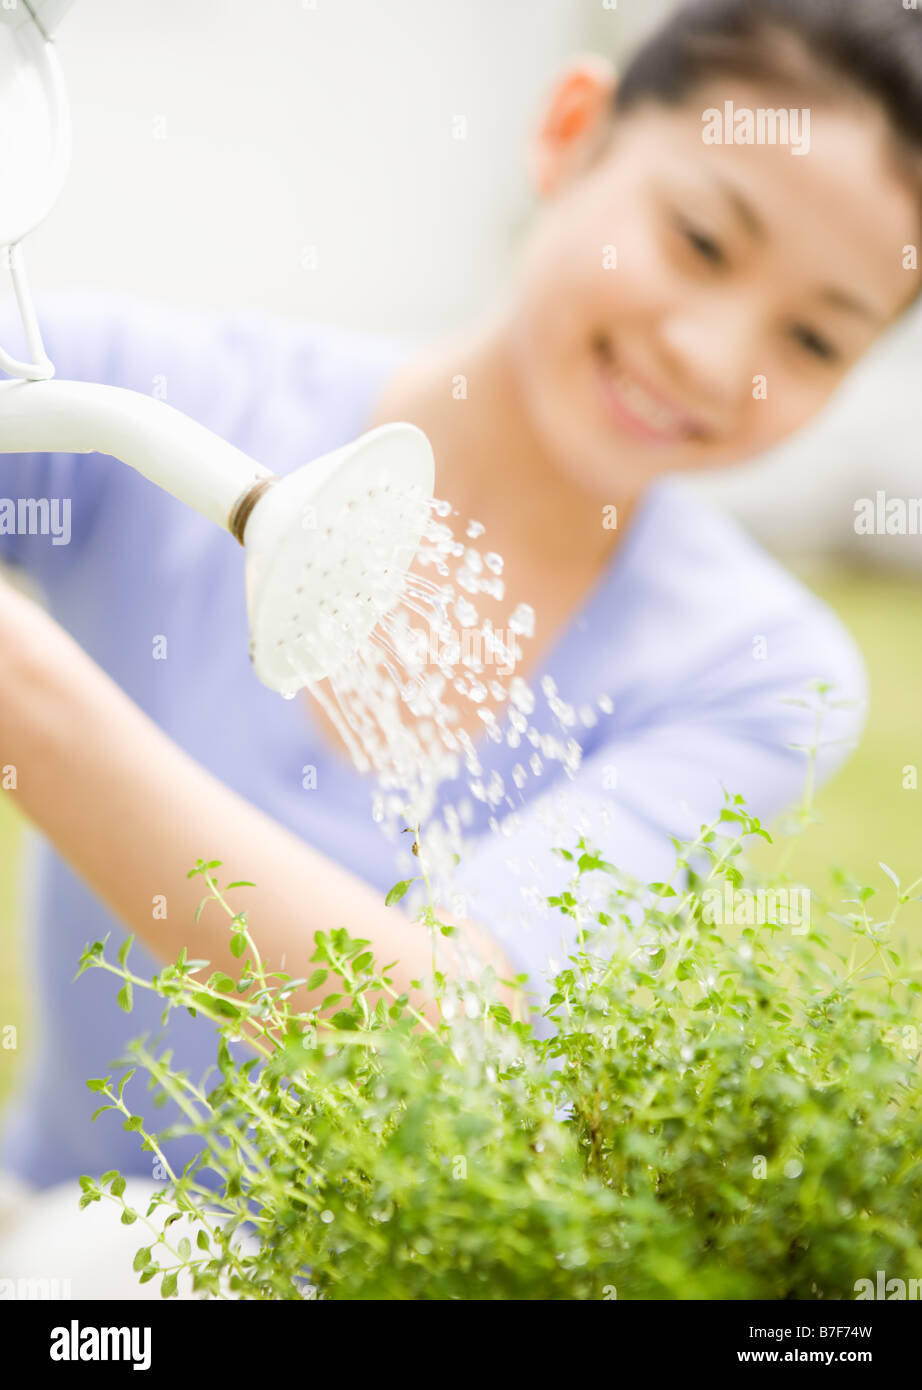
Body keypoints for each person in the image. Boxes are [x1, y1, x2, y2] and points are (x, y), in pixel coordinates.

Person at [0, 0, 917, 1291]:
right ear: (572, 133)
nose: (714, 355)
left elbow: (441, 1031)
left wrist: (25, 700)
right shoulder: (149, 411)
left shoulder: (758, 668)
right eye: (699, 239)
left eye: (814, 338)